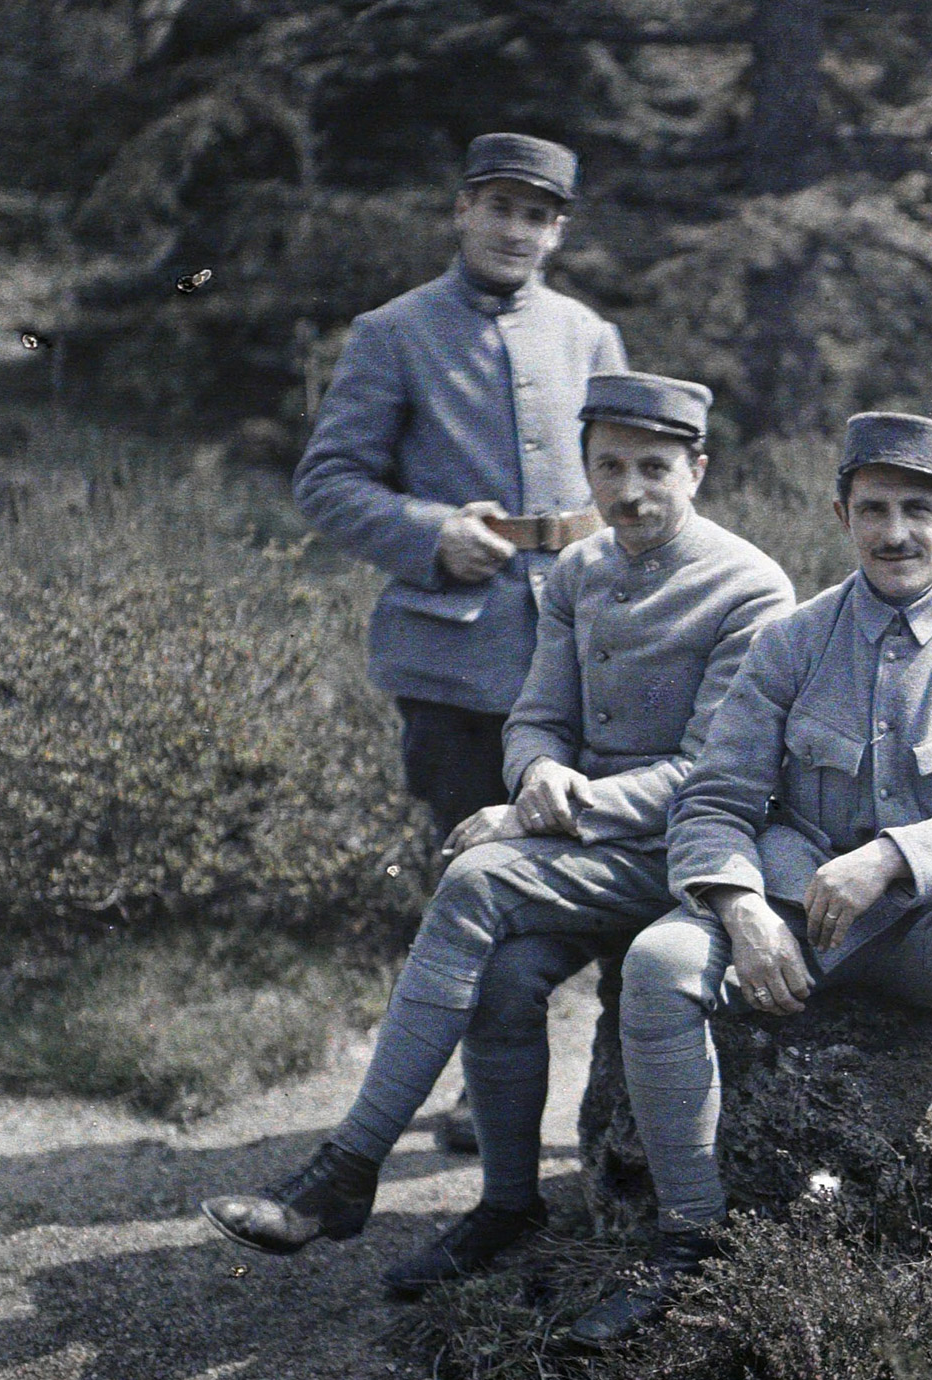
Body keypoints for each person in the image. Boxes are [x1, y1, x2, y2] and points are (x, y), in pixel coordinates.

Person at [201, 373, 796, 1294]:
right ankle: (508, 1206)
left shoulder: (751, 587)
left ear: (699, 469)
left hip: (683, 856)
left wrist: (540, 810)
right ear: (586, 470)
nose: (629, 491)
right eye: (608, 467)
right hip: (582, 851)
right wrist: (536, 769)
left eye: (654, 467)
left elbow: (708, 776)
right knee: (503, 983)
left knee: (479, 879)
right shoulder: (579, 570)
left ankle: (347, 1169)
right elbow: (535, 717)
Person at [567, 413, 932, 1345]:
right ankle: (689, 1237)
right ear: (841, 514)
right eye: (873, 509)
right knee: (658, 959)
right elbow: (713, 802)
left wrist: (891, 854)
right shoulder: (791, 642)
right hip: (801, 931)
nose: (895, 534)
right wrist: (745, 910)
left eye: (918, 511)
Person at [294, 133, 628, 1153]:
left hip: (585, 653)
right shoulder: (394, 333)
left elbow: (635, 478)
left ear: (559, 231)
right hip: (459, 660)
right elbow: (329, 485)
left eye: (539, 216)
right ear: (462, 209)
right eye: (500, 208)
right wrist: (429, 535)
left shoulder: (587, 335)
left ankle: (619, 1096)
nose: (517, 231)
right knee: (476, 869)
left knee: (598, 866)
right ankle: (489, 1093)